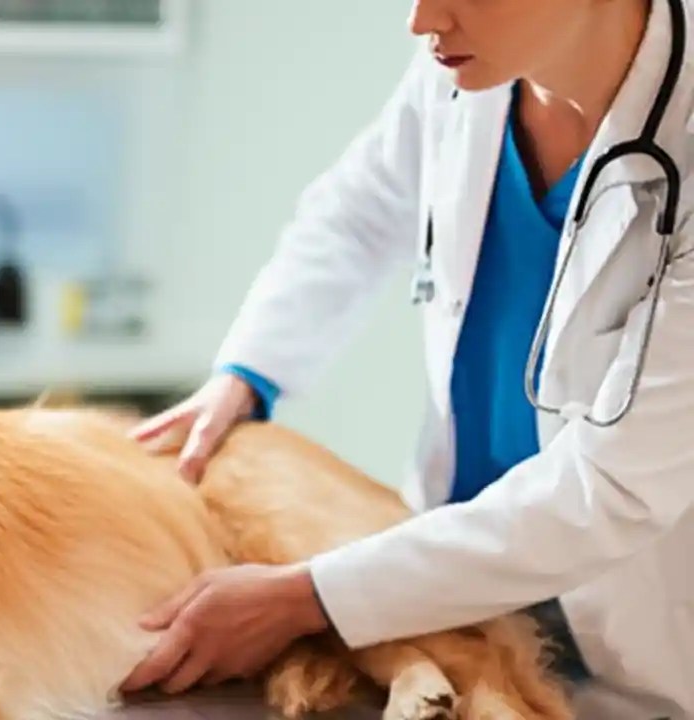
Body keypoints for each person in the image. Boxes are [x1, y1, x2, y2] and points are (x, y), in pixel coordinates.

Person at [106, 0, 694, 717]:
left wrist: (308, 595)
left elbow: (614, 487)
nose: (421, 21)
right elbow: (356, 215)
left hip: (644, 644)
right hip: (458, 596)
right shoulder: (461, 80)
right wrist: (247, 372)